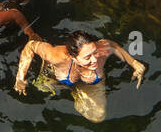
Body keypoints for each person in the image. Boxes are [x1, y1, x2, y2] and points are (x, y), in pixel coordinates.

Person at [13, 29, 146, 122]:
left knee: (97, 116)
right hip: (57, 78)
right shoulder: (57, 56)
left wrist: (134, 63)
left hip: (90, 81)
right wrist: (20, 77)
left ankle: (77, 92)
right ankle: (71, 90)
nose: (95, 59)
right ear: (73, 57)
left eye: (94, 52)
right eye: (88, 57)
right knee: (41, 87)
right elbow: (30, 46)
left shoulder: (101, 51)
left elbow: (113, 45)